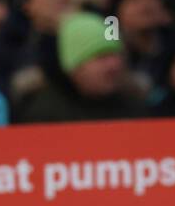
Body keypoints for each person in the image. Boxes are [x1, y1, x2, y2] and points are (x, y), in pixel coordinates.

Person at [10, 12, 150, 124]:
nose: (114, 65)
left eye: (116, 55)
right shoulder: (44, 114)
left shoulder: (135, 107)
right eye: (101, 57)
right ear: (74, 67)